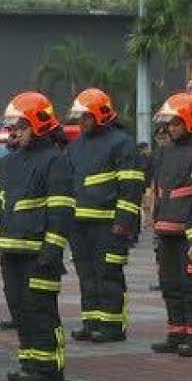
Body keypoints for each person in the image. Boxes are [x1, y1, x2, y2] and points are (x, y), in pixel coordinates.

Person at [0, 92, 74, 381]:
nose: (14, 132)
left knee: (41, 309)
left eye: (21, 127)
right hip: (11, 249)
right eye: (11, 127)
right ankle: (30, 361)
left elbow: (61, 209)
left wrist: (52, 249)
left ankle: (51, 366)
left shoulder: (55, 160)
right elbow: (2, 199)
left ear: (39, 125)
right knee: (19, 307)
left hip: (40, 251)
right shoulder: (11, 161)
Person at [65, 88, 144, 343]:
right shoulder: (76, 146)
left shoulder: (122, 143)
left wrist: (123, 221)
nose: (81, 122)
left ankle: (112, 326)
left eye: (86, 117)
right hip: (79, 224)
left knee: (108, 274)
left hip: (109, 224)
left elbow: (131, 186)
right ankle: (92, 322)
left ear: (100, 114)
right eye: (79, 117)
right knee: (86, 274)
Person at [149, 94, 192, 357]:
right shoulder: (164, 153)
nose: (171, 129)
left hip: (187, 230)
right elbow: (158, 190)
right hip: (165, 229)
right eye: (169, 125)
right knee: (169, 283)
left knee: (189, 286)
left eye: (175, 123)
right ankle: (176, 332)